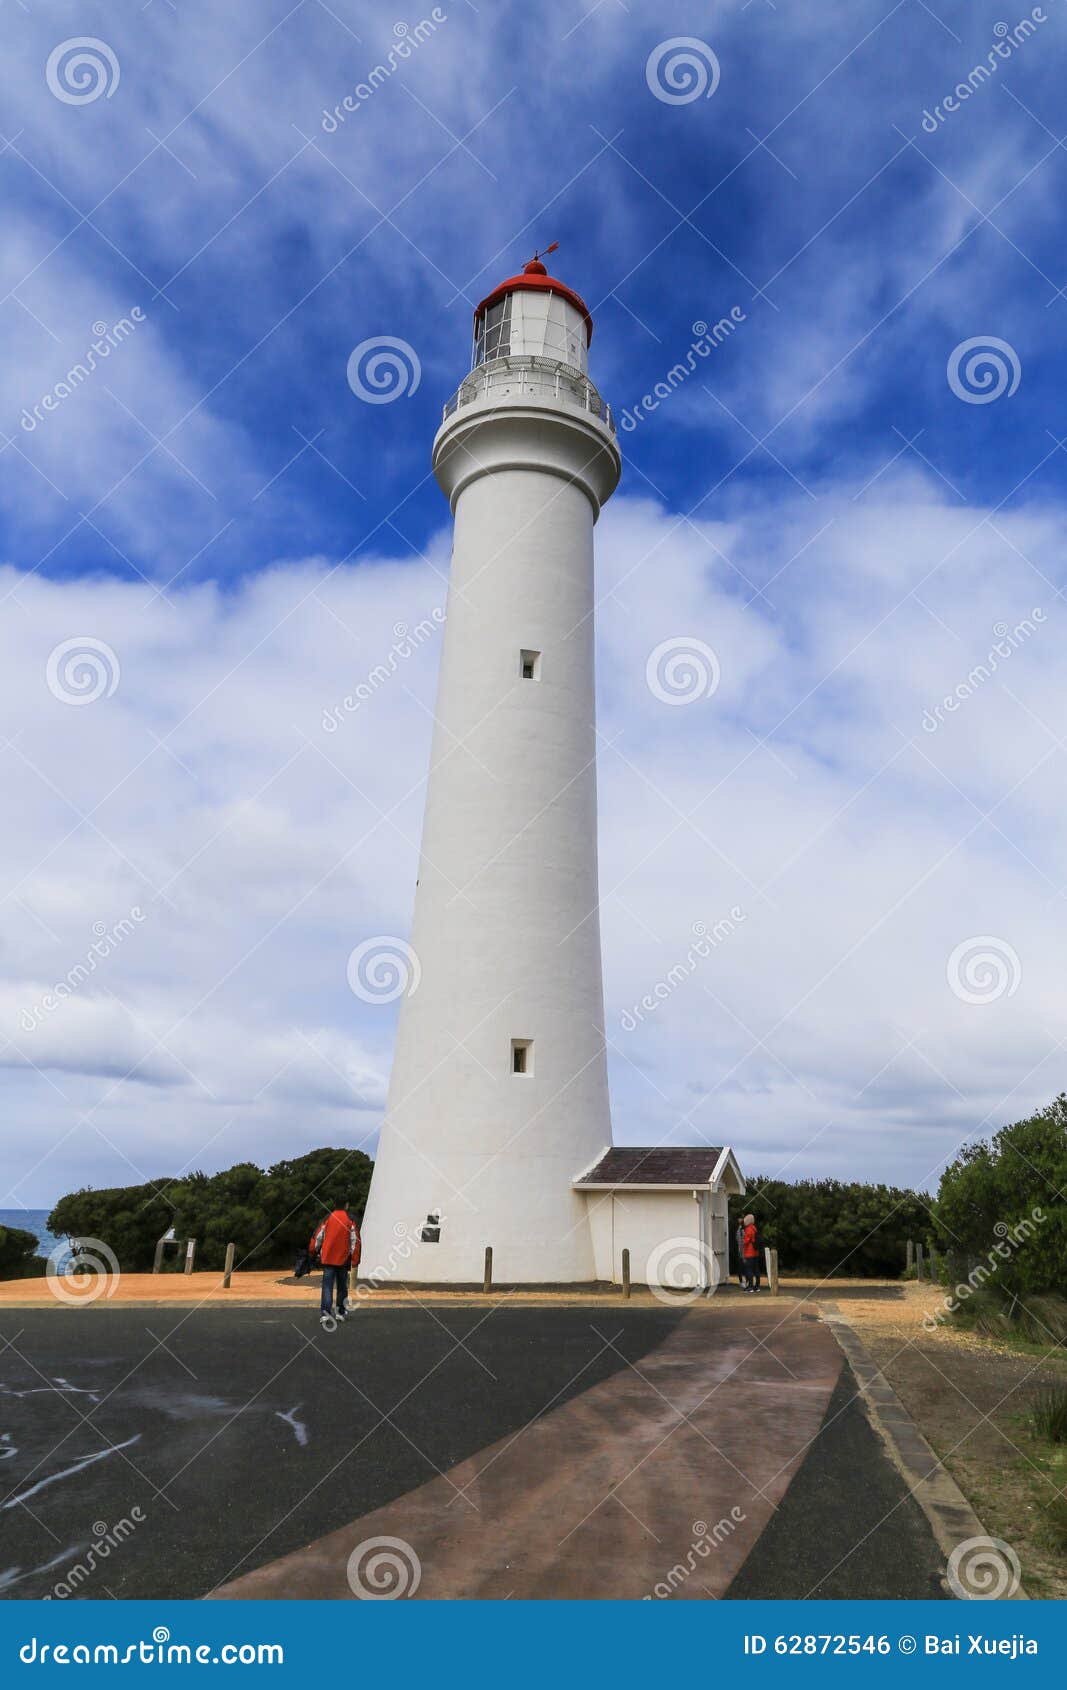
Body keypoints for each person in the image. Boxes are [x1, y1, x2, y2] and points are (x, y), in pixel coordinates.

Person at [310, 1198, 361, 1327]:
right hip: (343, 1260)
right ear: (346, 1205)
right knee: (342, 1287)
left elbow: (318, 1237)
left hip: (327, 1259)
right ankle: (340, 1312)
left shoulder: (327, 1218)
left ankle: (325, 1314)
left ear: (334, 1205)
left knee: (327, 1287)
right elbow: (355, 1241)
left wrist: (313, 1251)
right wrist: (355, 1260)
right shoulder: (350, 1219)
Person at [741, 1212, 761, 1293]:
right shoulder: (754, 1228)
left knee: (749, 1270)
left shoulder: (748, 1229)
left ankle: (750, 1287)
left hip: (749, 1252)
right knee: (756, 1269)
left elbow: (746, 1241)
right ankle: (757, 1286)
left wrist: (742, 1242)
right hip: (755, 1252)